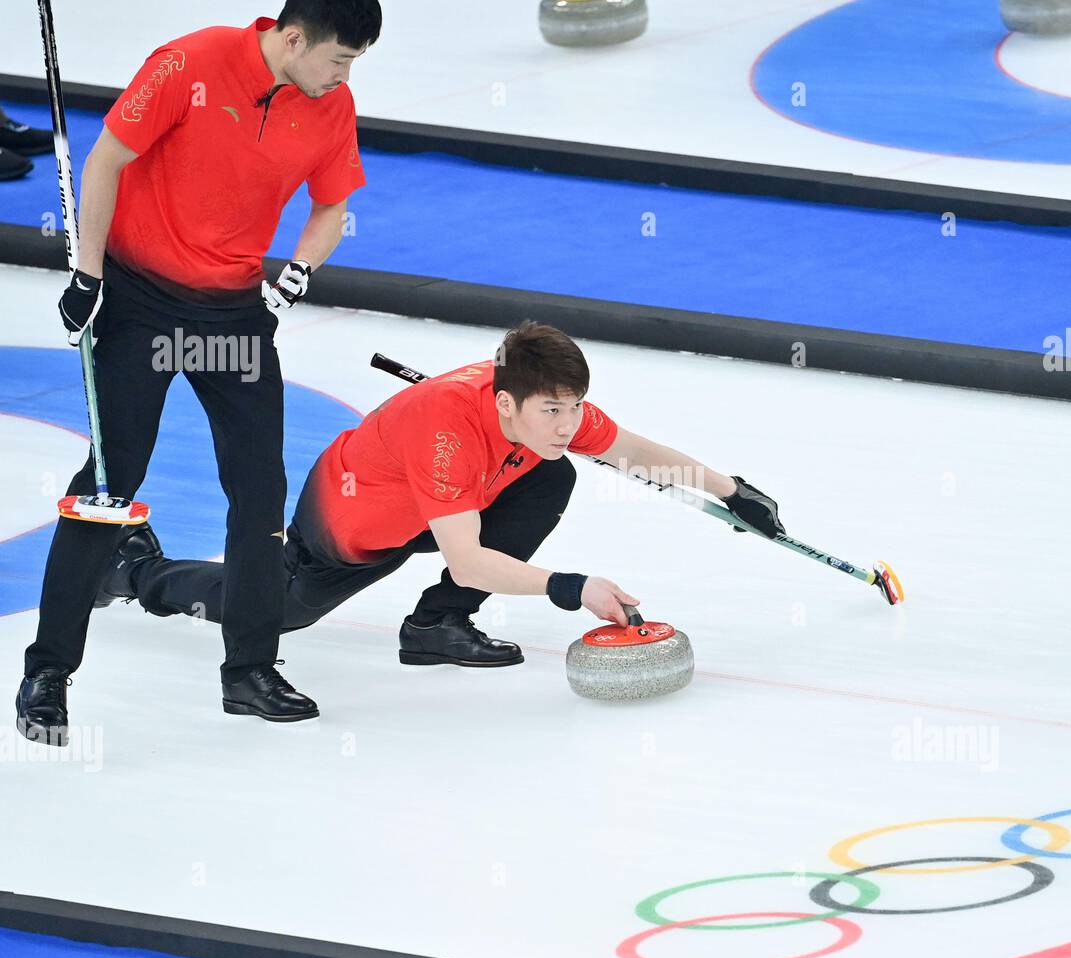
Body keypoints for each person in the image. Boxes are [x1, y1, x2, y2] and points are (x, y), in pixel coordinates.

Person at [92, 322, 786, 720]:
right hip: (352, 526)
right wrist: (577, 587)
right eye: (553, 412)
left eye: (575, 408)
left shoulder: (550, 410)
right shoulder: (446, 428)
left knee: (555, 472)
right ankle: (135, 568)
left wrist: (734, 491)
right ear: (505, 402)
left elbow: (633, 451)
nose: (569, 423)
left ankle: (435, 627)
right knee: (276, 612)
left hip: (450, 501)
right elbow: (469, 560)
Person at [16, 1, 383, 746]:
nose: (345, 76)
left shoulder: (330, 103)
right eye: (339, 58)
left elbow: (333, 205)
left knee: (258, 489)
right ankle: (48, 671)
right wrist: (88, 273)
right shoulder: (187, 64)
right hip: (141, 306)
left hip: (232, 320)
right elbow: (107, 159)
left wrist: (293, 280)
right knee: (109, 487)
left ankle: (249, 668)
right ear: (292, 38)